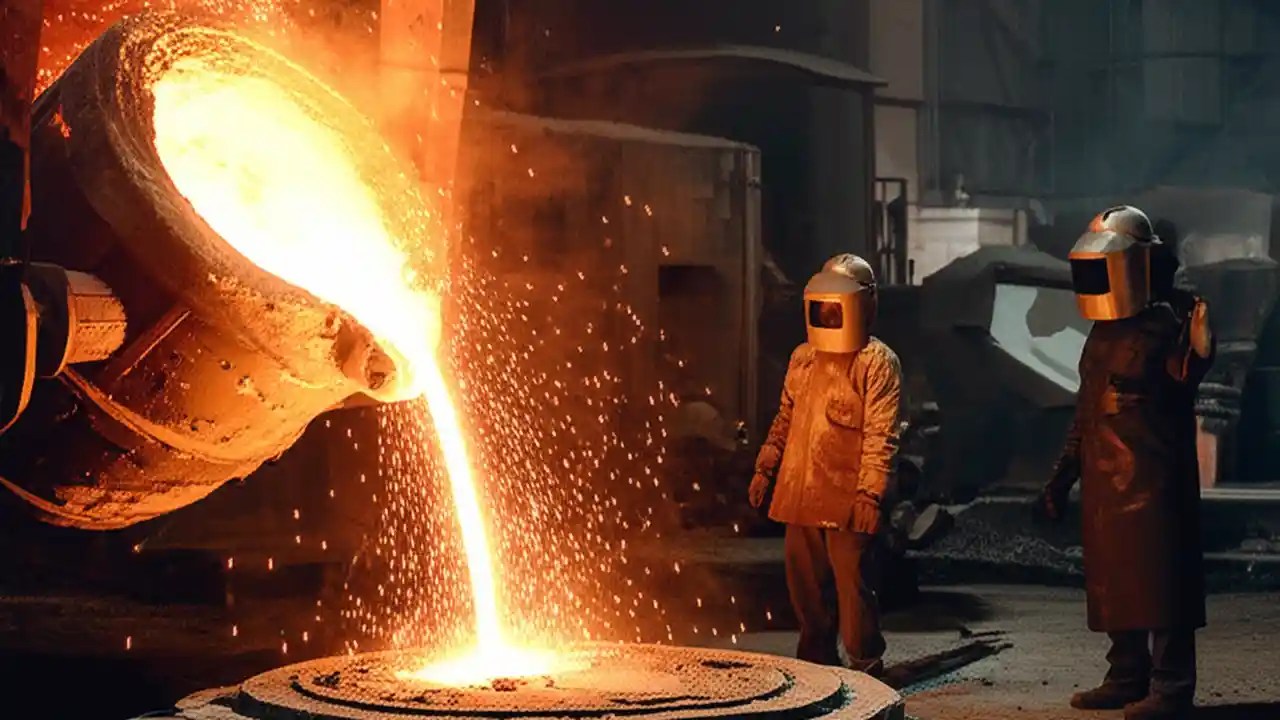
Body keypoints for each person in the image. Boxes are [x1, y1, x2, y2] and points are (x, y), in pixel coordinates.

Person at [1042, 206, 1214, 720]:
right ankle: (1127, 675)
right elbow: (1087, 410)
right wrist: (1062, 477)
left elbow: (1188, 373)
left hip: (1154, 481)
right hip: (1106, 485)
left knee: (1162, 585)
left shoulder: (1168, 325)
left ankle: (1171, 686)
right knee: (1118, 584)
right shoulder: (1103, 333)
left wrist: (1198, 341)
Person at [749, 253, 902, 675]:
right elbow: (785, 419)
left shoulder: (875, 362)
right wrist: (767, 467)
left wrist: (871, 494)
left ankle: (865, 662)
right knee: (806, 588)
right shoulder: (804, 358)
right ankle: (816, 662)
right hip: (800, 493)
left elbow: (881, 434)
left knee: (852, 586)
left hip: (845, 498)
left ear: (864, 304)